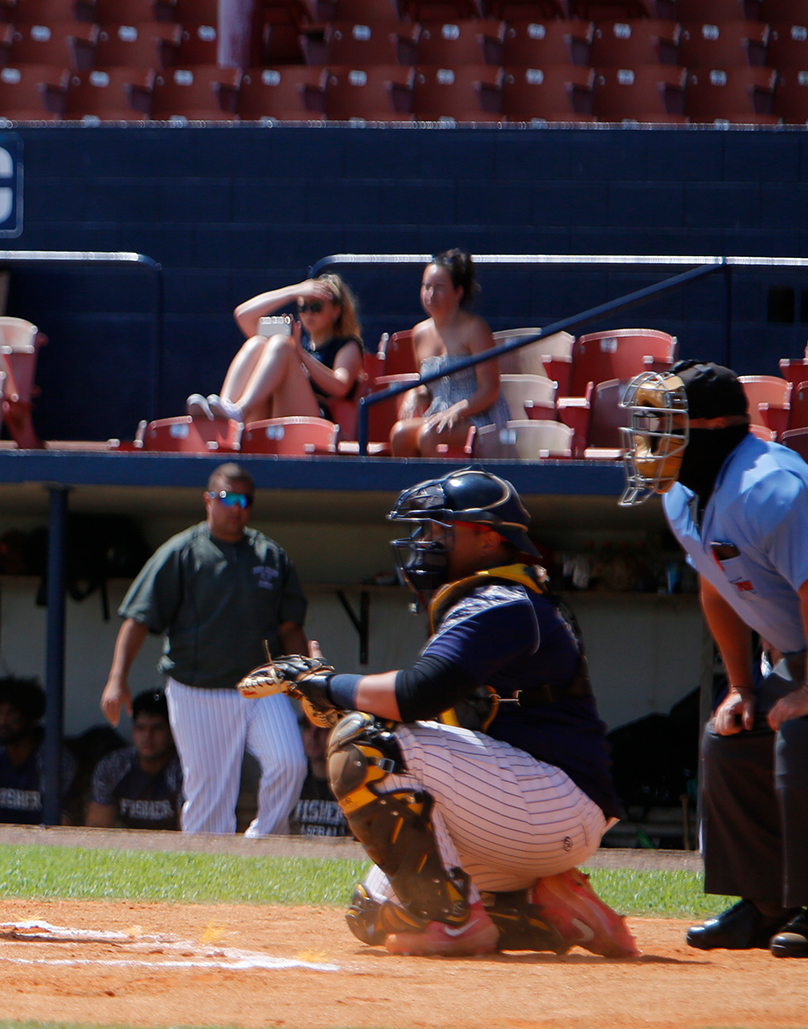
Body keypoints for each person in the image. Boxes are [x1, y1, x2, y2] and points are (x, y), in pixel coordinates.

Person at [248, 468, 635, 957]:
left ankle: (456, 923)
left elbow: (418, 694)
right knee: (372, 916)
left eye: (440, 528)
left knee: (366, 745)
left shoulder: (503, 601)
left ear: (488, 539)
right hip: (518, 806)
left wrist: (327, 686)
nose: (426, 540)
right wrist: (333, 696)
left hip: (552, 801)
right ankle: (542, 903)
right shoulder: (486, 598)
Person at [620, 363, 808, 957]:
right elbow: (717, 585)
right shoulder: (682, 495)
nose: (652, 441)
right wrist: (741, 686)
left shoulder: (771, 486)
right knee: (731, 740)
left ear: (715, 428)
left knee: (801, 737)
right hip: (794, 654)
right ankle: (766, 903)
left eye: (666, 426)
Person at [101, 462, 308, 836]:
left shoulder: (270, 555)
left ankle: (262, 845)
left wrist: (310, 682)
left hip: (261, 685)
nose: (237, 508)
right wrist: (118, 680)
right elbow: (138, 619)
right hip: (199, 690)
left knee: (290, 763)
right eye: (228, 498)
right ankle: (204, 868)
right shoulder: (182, 551)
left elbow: (290, 628)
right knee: (210, 797)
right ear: (208, 500)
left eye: (245, 500)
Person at [188, 275, 364, 425]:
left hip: (320, 420)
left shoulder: (347, 345)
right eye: (303, 307)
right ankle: (225, 412)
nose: (308, 313)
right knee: (256, 343)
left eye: (316, 307)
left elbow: (340, 387)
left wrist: (300, 354)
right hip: (277, 411)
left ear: (336, 311)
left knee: (280, 344)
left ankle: (240, 411)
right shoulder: (298, 341)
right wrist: (294, 291)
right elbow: (243, 315)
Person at [391, 250, 508, 458]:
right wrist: (415, 393)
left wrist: (457, 410)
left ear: (458, 292)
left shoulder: (475, 328)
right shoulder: (419, 333)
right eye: (426, 286)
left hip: (478, 418)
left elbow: (490, 389)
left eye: (439, 287)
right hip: (438, 417)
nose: (430, 294)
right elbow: (429, 387)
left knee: (429, 435)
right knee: (400, 433)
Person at [0, 676, 76, 825]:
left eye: (11, 713)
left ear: (31, 718)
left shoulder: (53, 761)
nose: (2, 721)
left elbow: (62, 820)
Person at [86, 689, 182, 829]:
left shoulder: (183, 770)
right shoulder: (114, 766)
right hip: (126, 841)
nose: (147, 736)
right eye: (141, 728)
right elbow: (98, 827)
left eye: (157, 728)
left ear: (172, 733)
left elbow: (188, 833)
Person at [290, 714, 350, 838]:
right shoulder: (292, 778)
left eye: (322, 730)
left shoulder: (352, 781)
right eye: (307, 727)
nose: (314, 736)